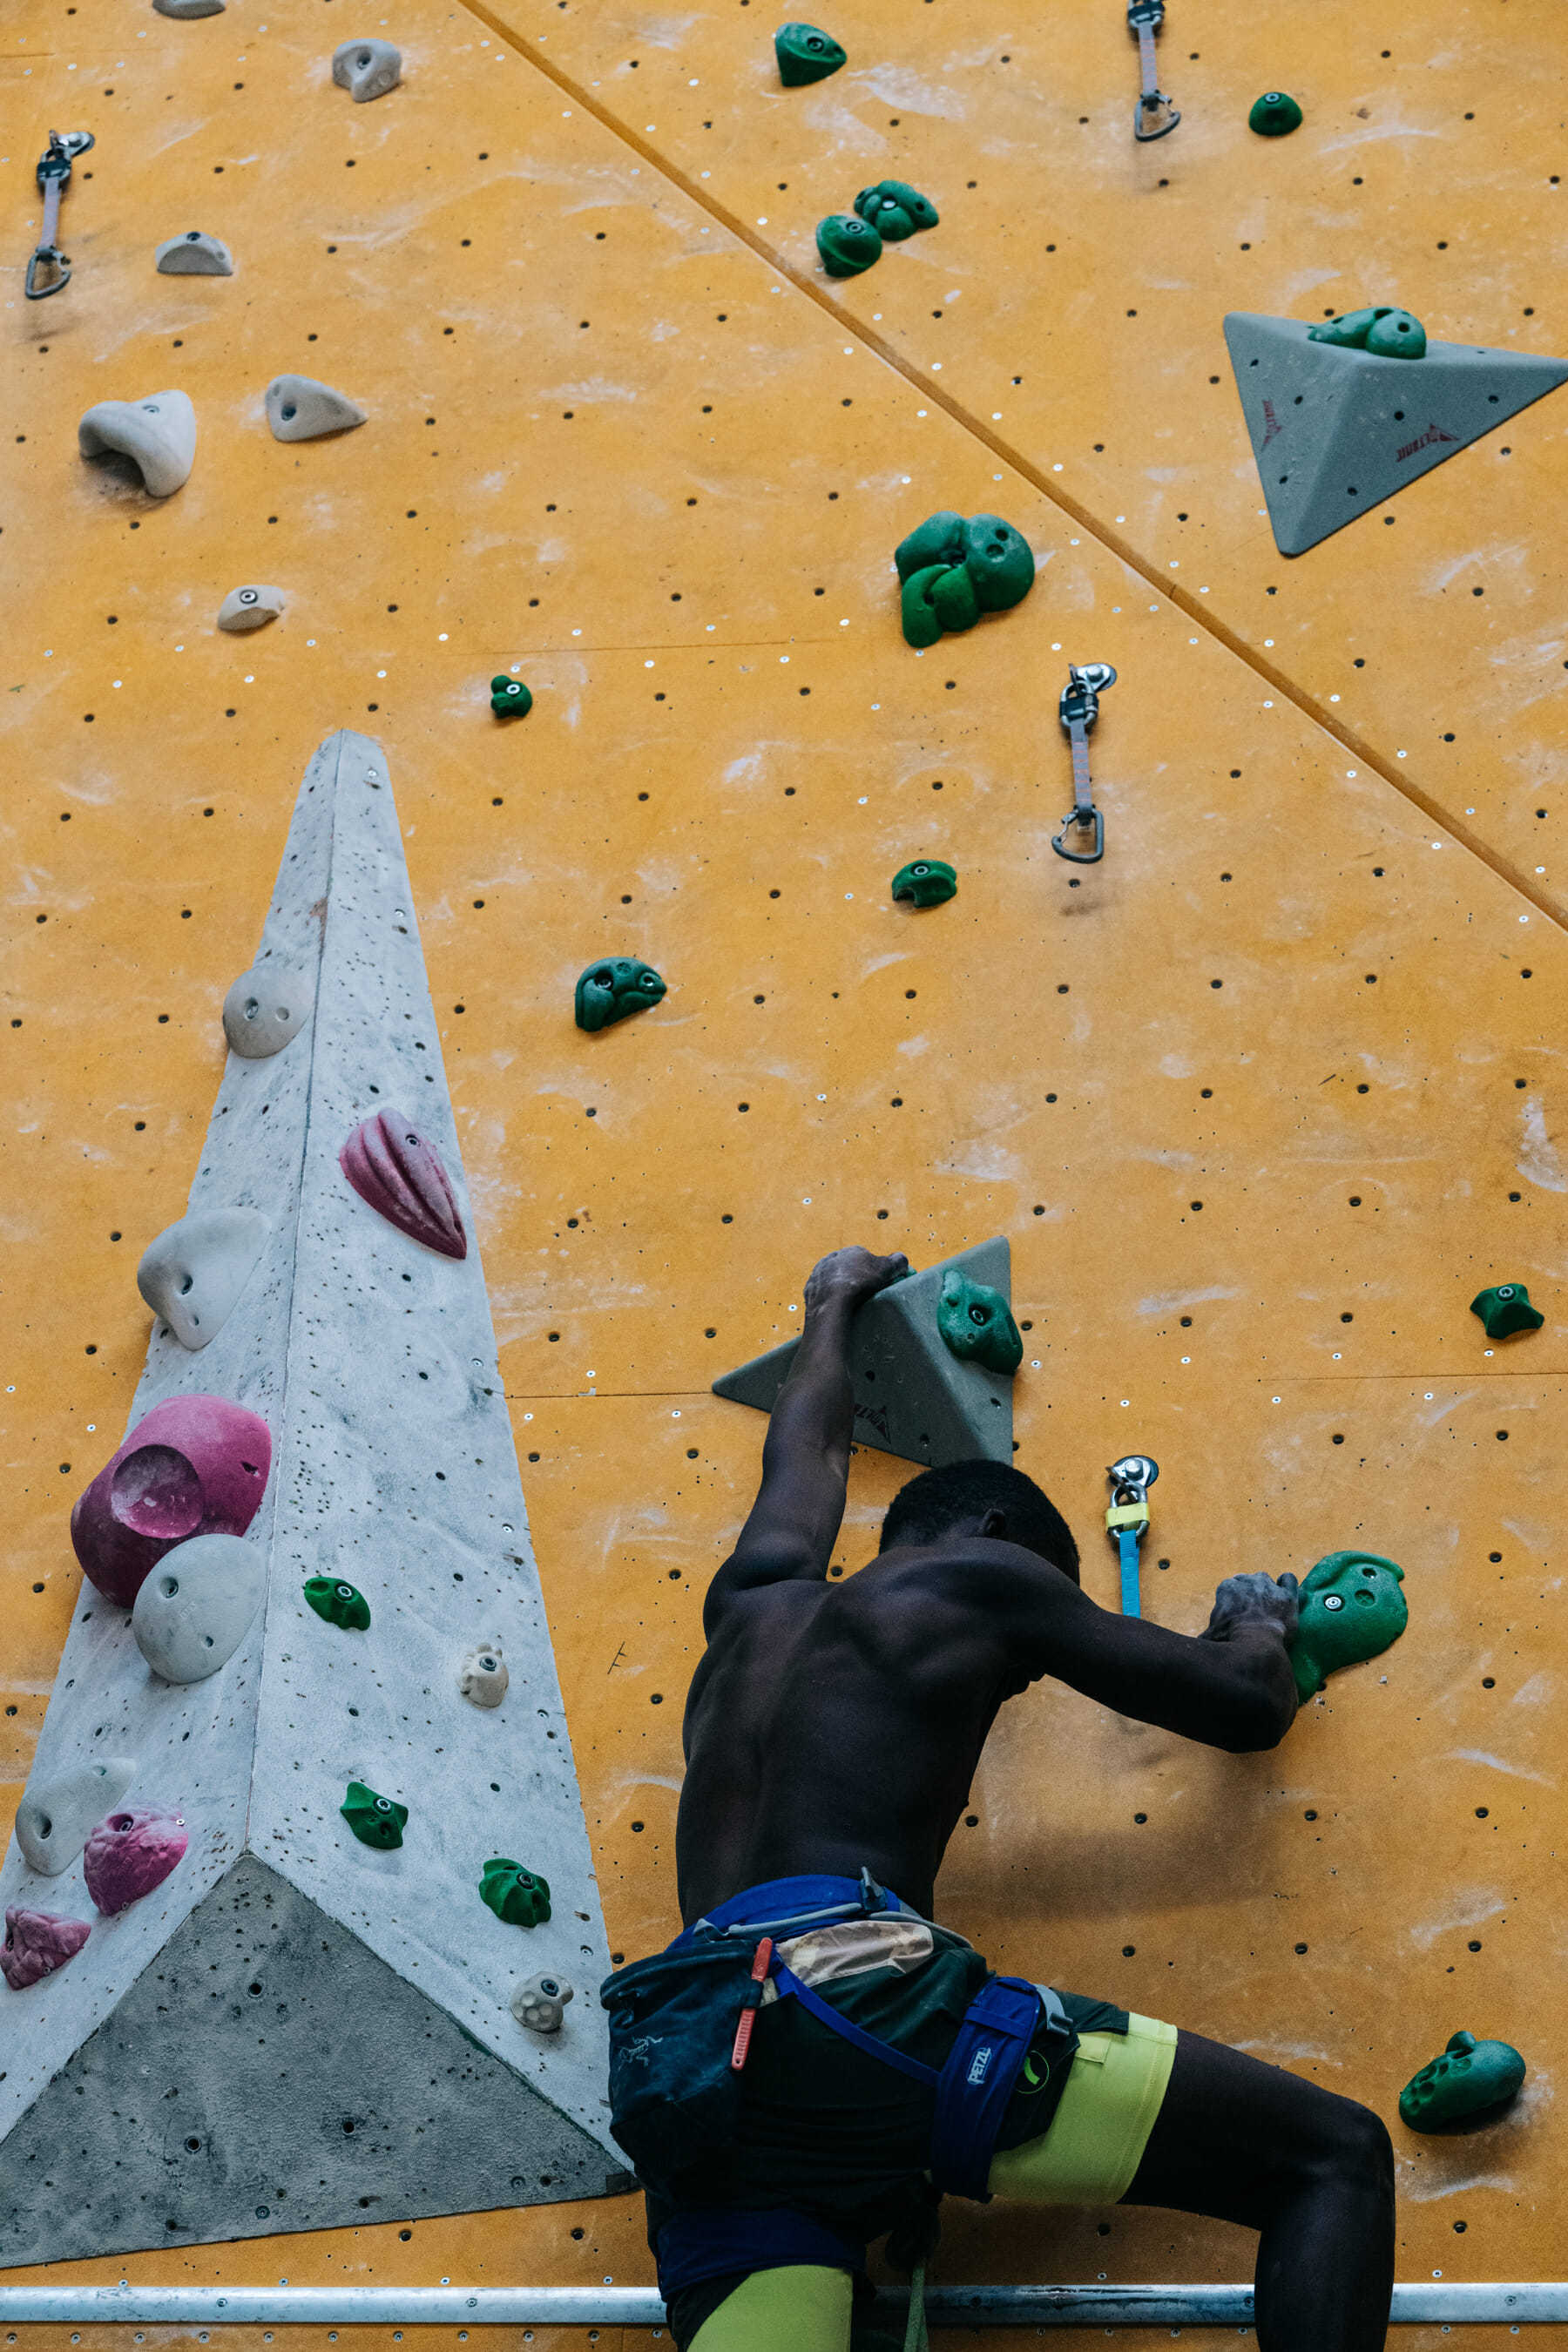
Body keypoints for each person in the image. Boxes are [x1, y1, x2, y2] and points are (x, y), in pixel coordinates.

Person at [610, 1247, 1394, 2352]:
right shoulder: (976, 1576)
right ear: (994, 1542)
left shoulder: (748, 1608)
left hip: (698, 2067)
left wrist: (833, 1305)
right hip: (861, 2008)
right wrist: (1259, 1625)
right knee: (1332, 2157)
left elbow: (808, 1457)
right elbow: (1242, 1706)